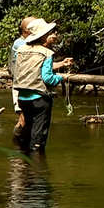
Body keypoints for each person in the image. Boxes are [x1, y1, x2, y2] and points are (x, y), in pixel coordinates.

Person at [13, 18, 72, 152]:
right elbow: (47, 78)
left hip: (22, 98)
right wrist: (61, 77)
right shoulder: (47, 53)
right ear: (43, 36)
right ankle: (38, 168)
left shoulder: (20, 50)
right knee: (38, 138)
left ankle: (24, 167)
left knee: (27, 134)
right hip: (40, 98)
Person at [10, 16, 37, 147]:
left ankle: (23, 148)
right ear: (26, 30)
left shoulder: (25, 43)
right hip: (20, 87)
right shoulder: (21, 44)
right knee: (23, 120)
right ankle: (17, 148)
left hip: (25, 86)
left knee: (28, 120)